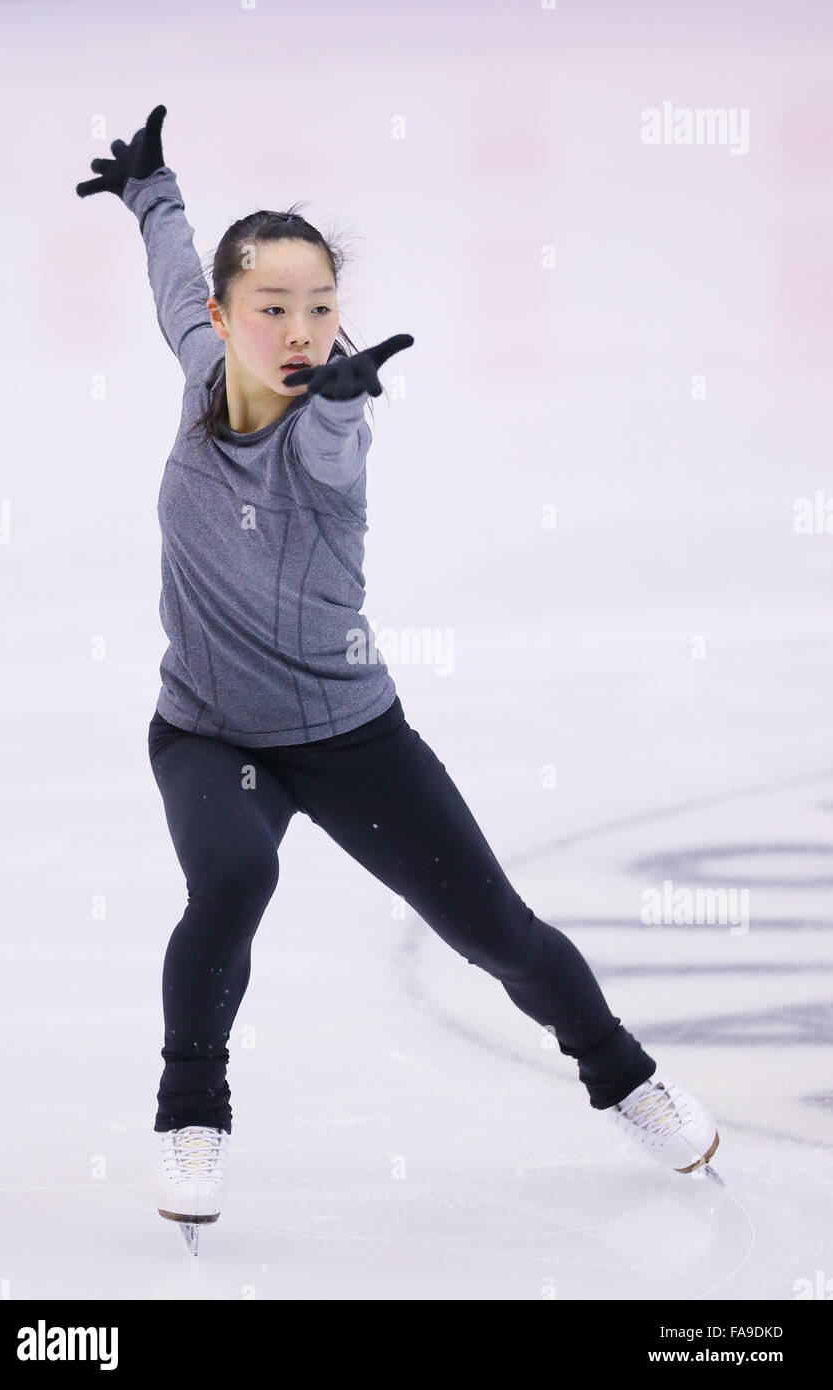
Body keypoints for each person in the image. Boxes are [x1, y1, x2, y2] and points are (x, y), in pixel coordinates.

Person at [76, 106, 721, 1252]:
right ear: (224, 320)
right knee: (229, 879)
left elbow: (333, 433)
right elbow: (172, 274)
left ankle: (624, 1077)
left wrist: (341, 402)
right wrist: (149, 189)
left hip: (350, 734)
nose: (301, 331)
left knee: (500, 937)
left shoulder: (332, 430)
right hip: (206, 731)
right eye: (271, 309)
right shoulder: (197, 365)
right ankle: (191, 1113)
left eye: (320, 309)